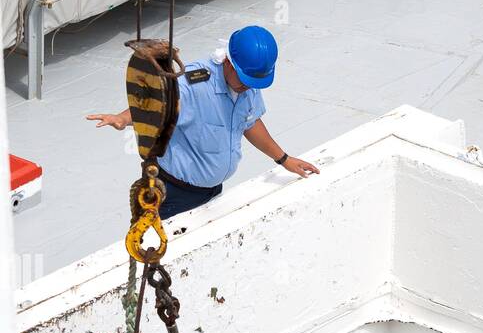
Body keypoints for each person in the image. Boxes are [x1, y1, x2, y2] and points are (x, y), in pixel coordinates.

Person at [88, 25, 319, 218]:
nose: (248, 86)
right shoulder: (195, 84)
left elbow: (250, 122)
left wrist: (284, 159)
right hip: (174, 194)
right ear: (228, 62)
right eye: (245, 79)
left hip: (213, 191)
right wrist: (122, 118)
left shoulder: (246, 84)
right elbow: (156, 103)